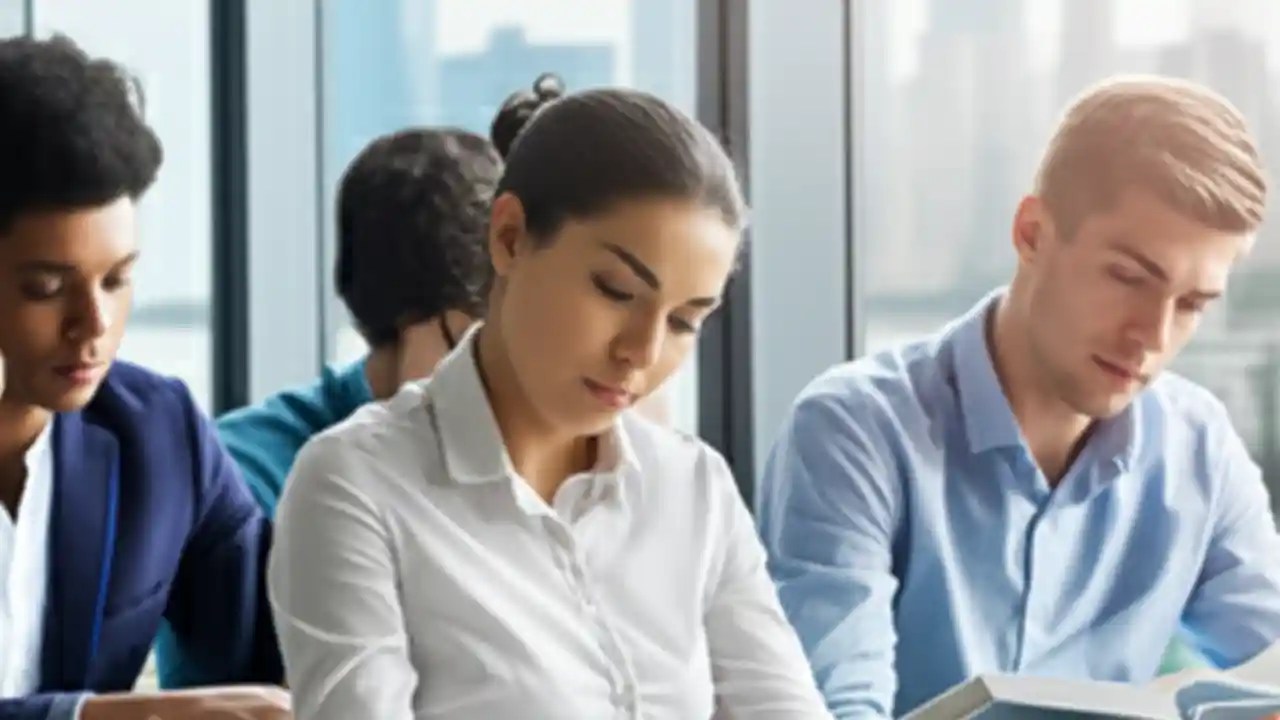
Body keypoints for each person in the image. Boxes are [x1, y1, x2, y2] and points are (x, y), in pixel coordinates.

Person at [267, 80, 832, 718]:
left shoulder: (693, 486)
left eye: (683, 322)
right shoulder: (356, 483)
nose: (643, 352)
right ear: (509, 237)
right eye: (616, 290)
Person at [756, 74, 1280, 718]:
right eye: (1127, 278)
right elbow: (838, 710)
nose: (1154, 335)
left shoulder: (1199, 446)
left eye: (1193, 304)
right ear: (1032, 232)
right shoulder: (853, 432)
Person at [0, 35, 288, 719]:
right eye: (46, 287)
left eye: (118, 279)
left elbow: (289, 638)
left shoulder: (156, 434)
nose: (93, 323)